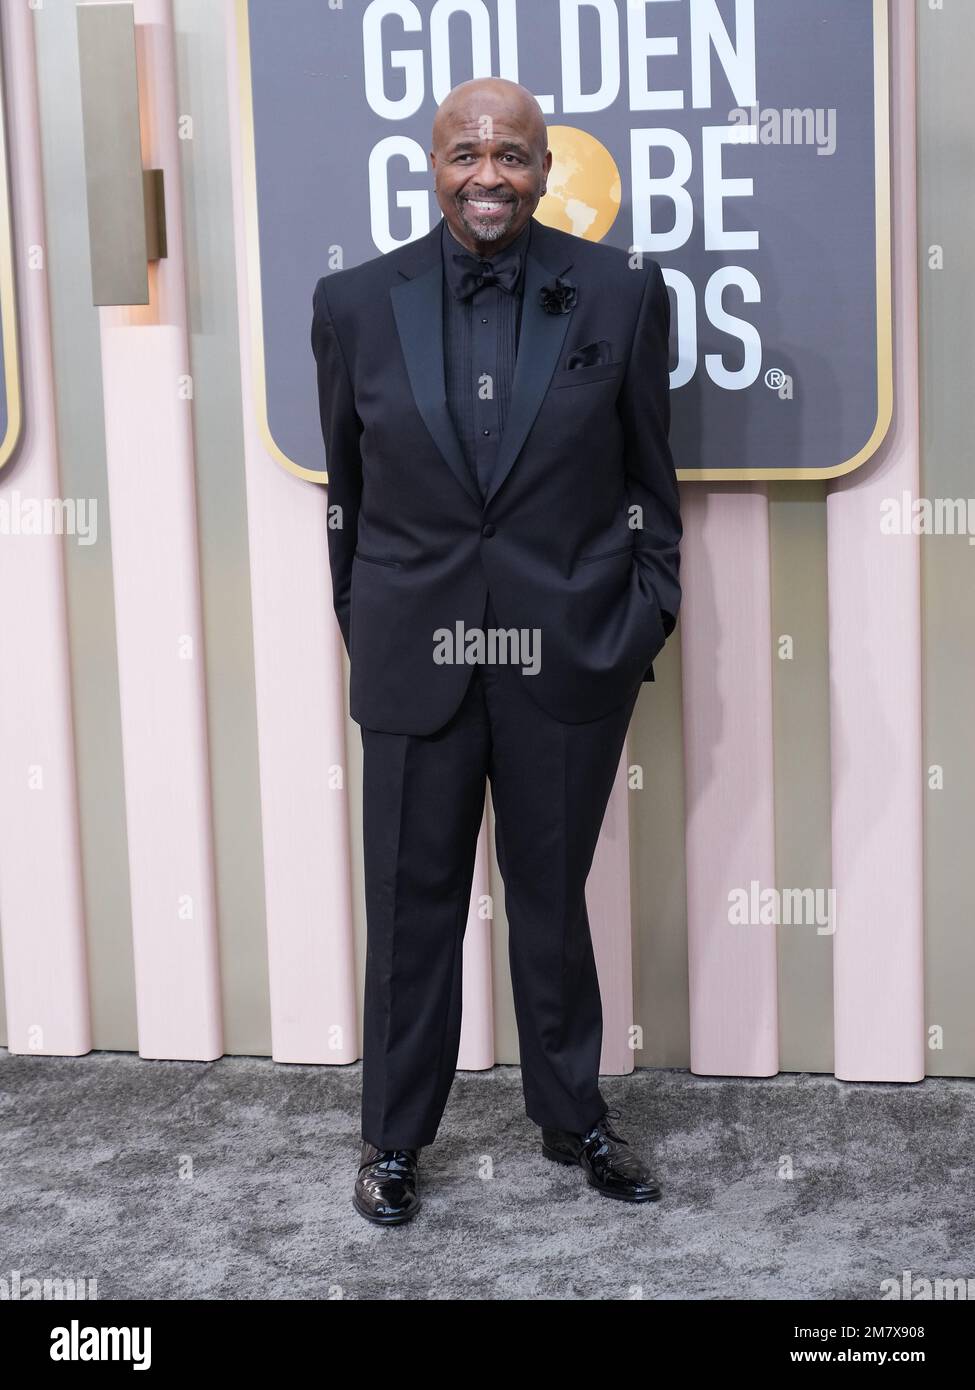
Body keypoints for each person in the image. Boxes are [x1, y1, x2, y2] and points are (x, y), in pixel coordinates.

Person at [311, 77, 681, 1225]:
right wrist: (371, 624)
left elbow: (648, 483)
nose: (489, 175)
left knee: (551, 898)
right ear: (434, 162)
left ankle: (575, 1119)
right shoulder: (355, 303)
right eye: (467, 153)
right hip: (416, 653)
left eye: (512, 156)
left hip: (567, 650)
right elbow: (348, 496)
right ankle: (391, 1139)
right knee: (410, 904)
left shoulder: (619, 293)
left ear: (543, 166)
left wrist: (640, 618)